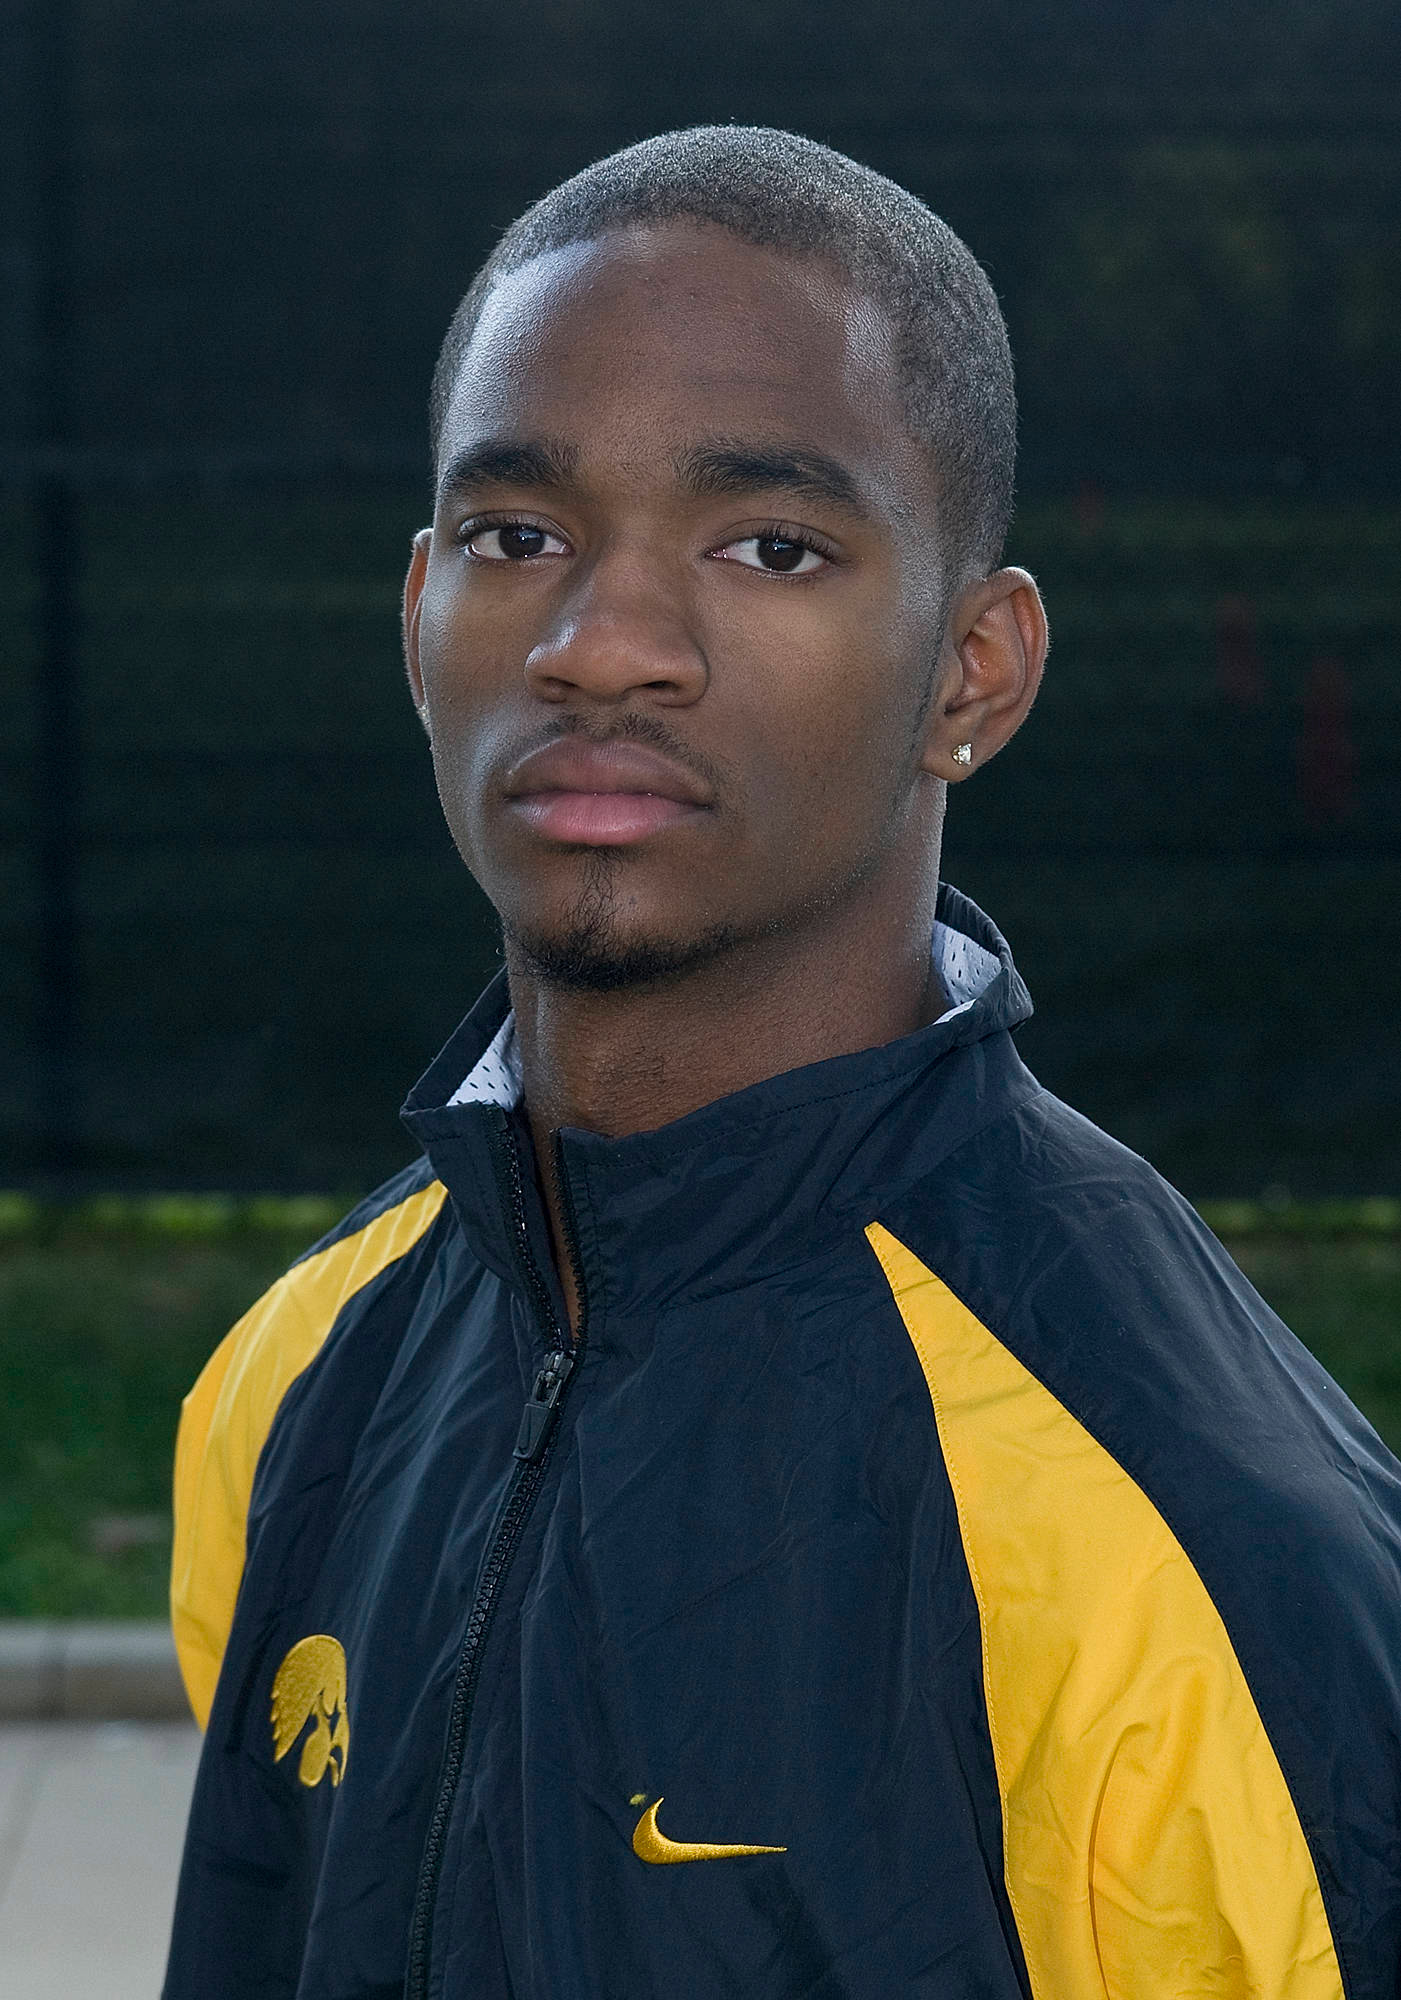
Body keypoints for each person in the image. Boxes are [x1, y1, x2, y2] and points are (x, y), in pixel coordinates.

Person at [163, 127, 1401, 2000]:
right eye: (520, 538)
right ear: (418, 619)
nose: (603, 645)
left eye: (769, 544)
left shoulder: (1193, 1551)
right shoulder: (286, 1389)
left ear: (970, 672)